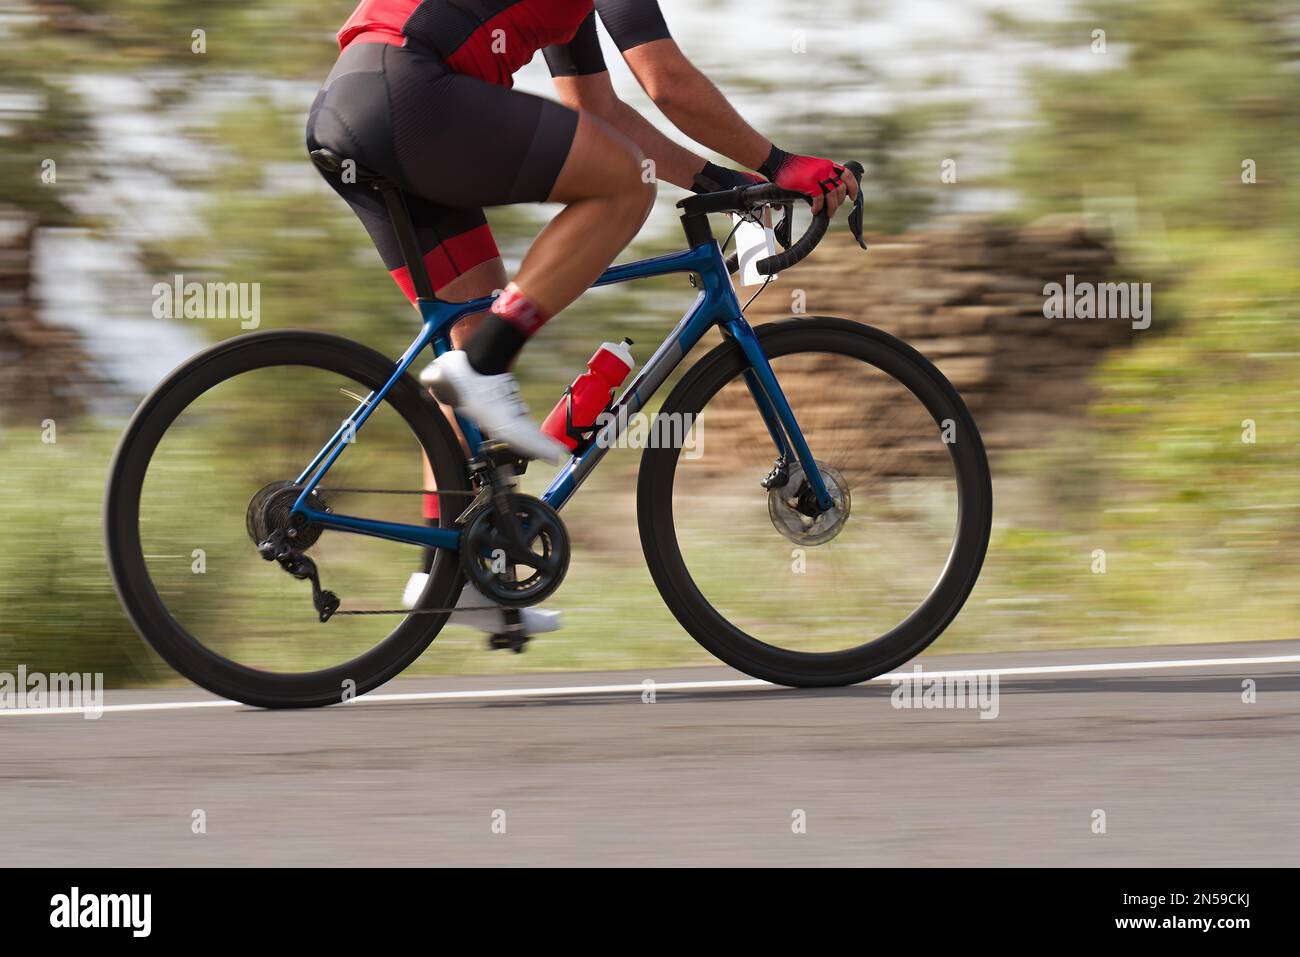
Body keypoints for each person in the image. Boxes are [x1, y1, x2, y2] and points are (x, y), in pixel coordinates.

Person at [306, 0, 857, 636]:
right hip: (410, 94)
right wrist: (781, 165)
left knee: (471, 329)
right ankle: (484, 367)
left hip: (355, 106)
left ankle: (450, 579)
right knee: (624, 187)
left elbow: (596, 110)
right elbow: (665, 82)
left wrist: (716, 181)